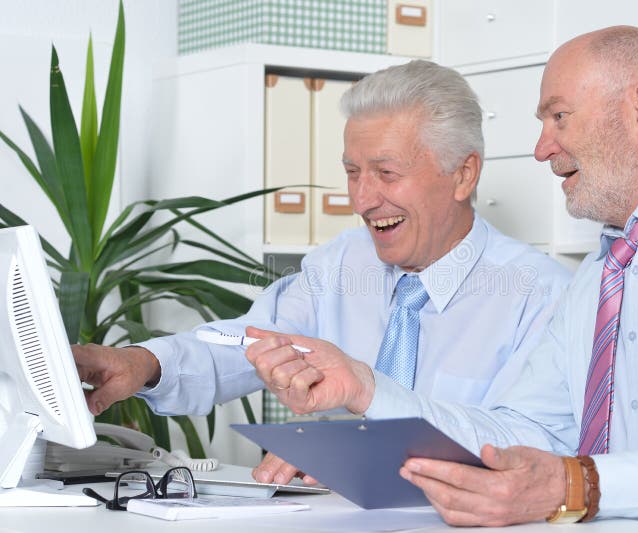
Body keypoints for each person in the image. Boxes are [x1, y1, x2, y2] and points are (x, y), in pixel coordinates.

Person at [246, 26, 638, 532]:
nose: (541, 148)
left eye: (558, 117)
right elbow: (526, 430)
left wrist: (577, 484)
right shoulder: (602, 272)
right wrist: (368, 390)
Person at [73, 60, 571, 485]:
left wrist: (366, 395)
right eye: (353, 172)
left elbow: (533, 446)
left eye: (386, 173)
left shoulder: (542, 295)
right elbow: (245, 343)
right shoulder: (340, 262)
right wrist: (143, 364)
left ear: (463, 174)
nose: (362, 200)